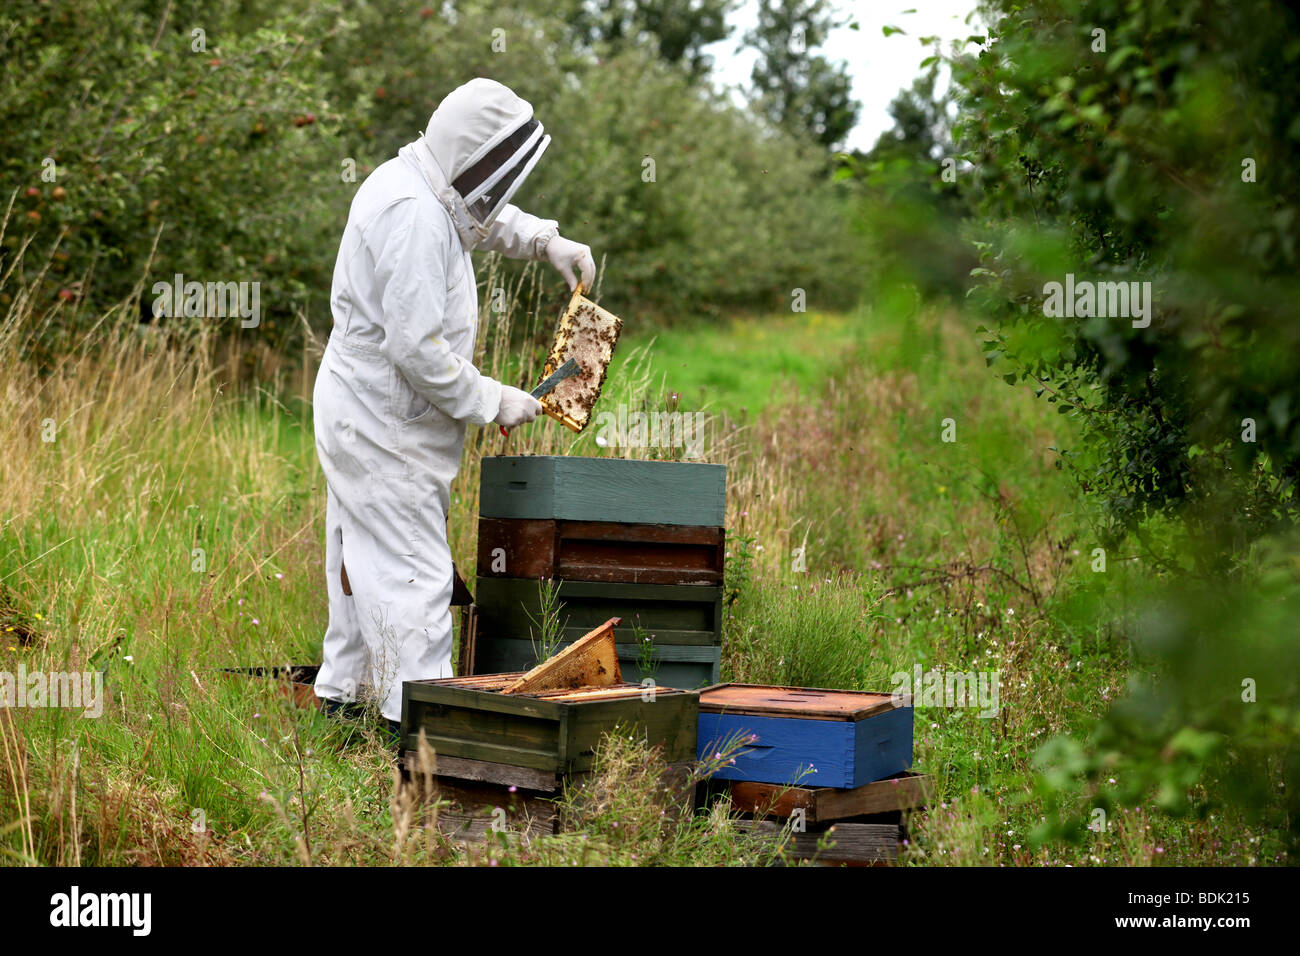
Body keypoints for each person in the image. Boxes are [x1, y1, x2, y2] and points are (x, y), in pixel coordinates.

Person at [311, 78, 595, 729]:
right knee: (413, 576)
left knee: (362, 562)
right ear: (472, 156)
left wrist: (545, 240)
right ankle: (422, 734)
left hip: (370, 410)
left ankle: (346, 703)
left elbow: (475, 212)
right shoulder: (411, 213)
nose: (496, 192)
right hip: (384, 420)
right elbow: (417, 348)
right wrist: (494, 399)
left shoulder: (418, 183)